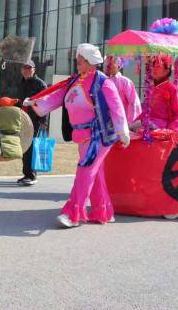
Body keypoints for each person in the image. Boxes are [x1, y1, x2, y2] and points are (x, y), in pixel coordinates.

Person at [27, 43, 130, 228]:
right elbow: (57, 96)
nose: (78, 62)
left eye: (81, 59)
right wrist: (35, 103)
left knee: (85, 171)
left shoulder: (103, 82)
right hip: (81, 135)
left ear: (90, 61)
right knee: (95, 174)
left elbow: (116, 107)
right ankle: (103, 212)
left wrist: (122, 131)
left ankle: (73, 213)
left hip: (99, 135)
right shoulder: (75, 80)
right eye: (78, 59)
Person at [14, 60, 47, 186]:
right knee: (24, 146)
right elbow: (19, 101)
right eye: (24, 68)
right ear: (21, 70)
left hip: (35, 120)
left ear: (34, 70)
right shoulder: (21, 83)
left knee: (31, 146)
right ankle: (26, 174)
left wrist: (44, 120)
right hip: (23, 119)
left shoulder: (40, 84)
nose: (26, 70)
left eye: (29, 68)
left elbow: (46, 102)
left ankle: (32, 175)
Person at [138, 56, 178, 131]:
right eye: (153, 66)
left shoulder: (172, 89)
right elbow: (145, 111)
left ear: (167, 71)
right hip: (146, 125)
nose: (154, 69)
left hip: (162, 129)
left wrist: (171, 131)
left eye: (158, 67)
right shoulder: (151, 88)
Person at [104, 55, 141, 123]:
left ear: (118, 66)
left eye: (112, 63)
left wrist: (130, 122)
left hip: (123, 121)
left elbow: (133, 102)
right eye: (108, 62)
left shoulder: (125, 81)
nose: (109, 65)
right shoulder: (105, 81)